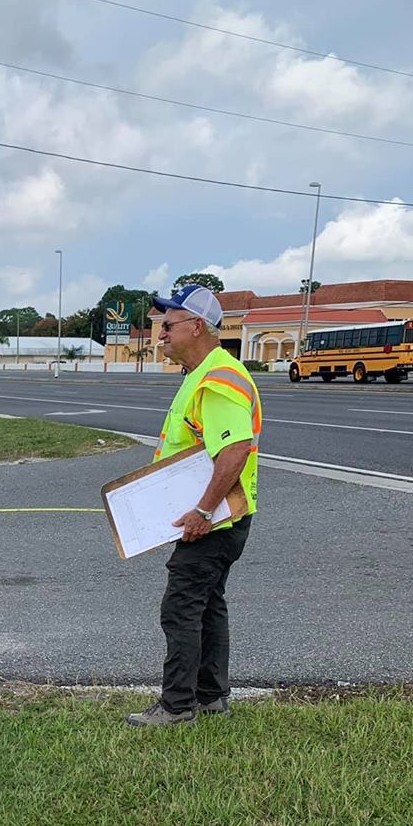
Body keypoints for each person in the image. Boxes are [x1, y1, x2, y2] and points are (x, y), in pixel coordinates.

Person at [125, 284, 260, 728]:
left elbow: (235, 449)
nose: (161, 334)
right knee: (207, 603)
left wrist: (203, 511)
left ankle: (178, 706)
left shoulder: (218, 380)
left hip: (214, 520)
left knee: (181, 607)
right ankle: (211, 696)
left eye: (168, 325)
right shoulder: (202, 374)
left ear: (197, 326)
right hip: (220, 517)